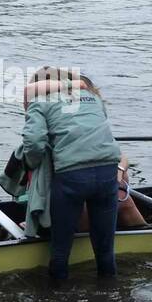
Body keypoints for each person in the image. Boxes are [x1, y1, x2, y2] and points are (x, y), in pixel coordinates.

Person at [20, 67, 123, 286]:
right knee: (105, 250)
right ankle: (111, 299)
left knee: (60, 250)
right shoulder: (92, 97)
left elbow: (34, 143)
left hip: (72, 176)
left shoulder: (39, 101)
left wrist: (31, 164)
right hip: (107, 171)